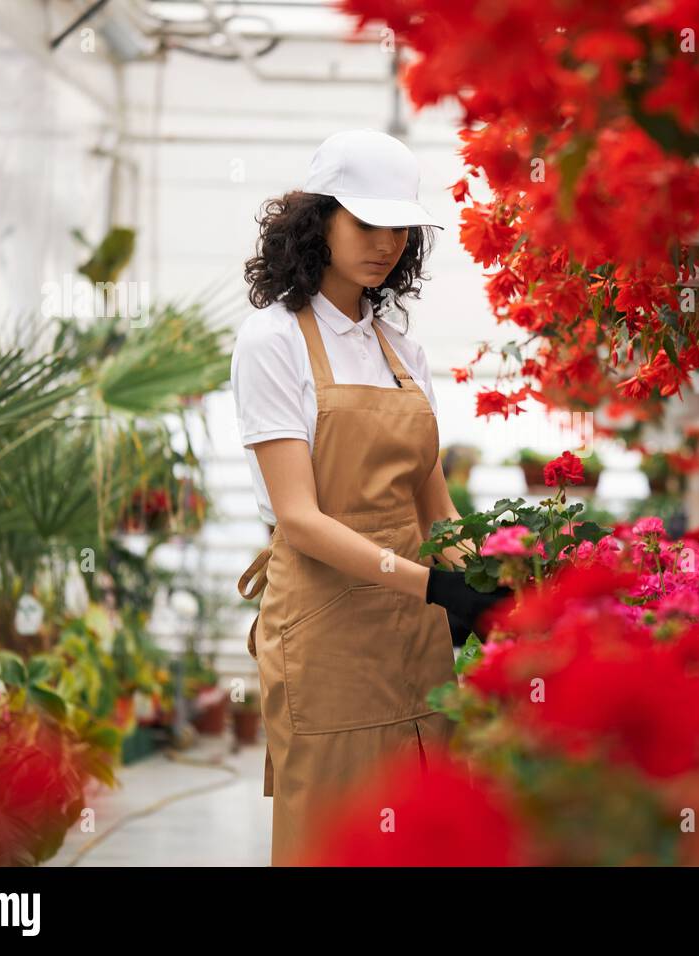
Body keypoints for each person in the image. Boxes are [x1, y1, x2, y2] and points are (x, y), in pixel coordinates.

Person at [230, 129, 511, 866]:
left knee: (421, 825)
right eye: (366, 223)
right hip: (325, 628)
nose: (385, 243)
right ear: (318, 221)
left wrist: (482, 582)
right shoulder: (273, 341)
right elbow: (299, 517)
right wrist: (433, 585)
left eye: (400, 229)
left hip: (414, 628)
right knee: (334, 829)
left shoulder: (402, 352)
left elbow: (435, 503)